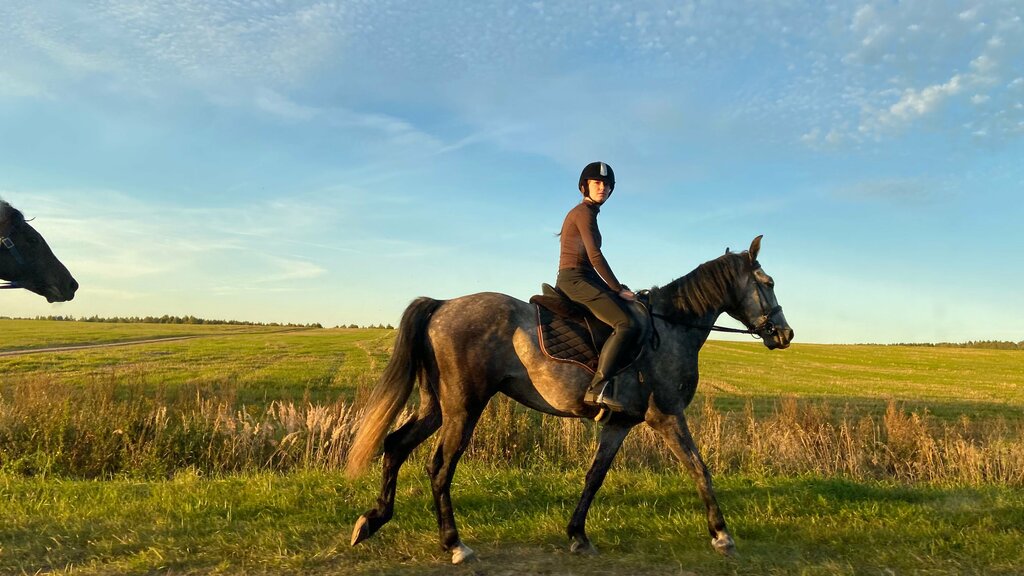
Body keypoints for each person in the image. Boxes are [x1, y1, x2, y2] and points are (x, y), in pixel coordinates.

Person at [556, 161, 639, 414]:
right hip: (574, 280)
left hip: (584, 278)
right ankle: (598, 387)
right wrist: (617, 288)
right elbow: (594, 257)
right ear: (585, 186)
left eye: (607, 184)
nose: (602, 187)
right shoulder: (583, 213)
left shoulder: (589, 213)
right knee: (626, 323)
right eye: (597, 183)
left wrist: (615, 288)